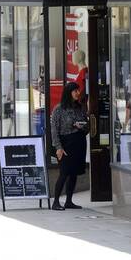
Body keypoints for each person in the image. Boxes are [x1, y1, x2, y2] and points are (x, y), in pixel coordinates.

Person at [51, 81, 89, 211]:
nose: (78, 93)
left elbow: (87, 126)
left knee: (73, 173)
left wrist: (82, 126)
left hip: (79, 142)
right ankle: (56, 201)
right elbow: (54, 130)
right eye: (75, 91)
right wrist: (58, 147)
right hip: (66, 143)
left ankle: (69, 201)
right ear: (69, 93)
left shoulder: (79, 108)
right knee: (64, 172)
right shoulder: (59, 109)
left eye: (78, 91)